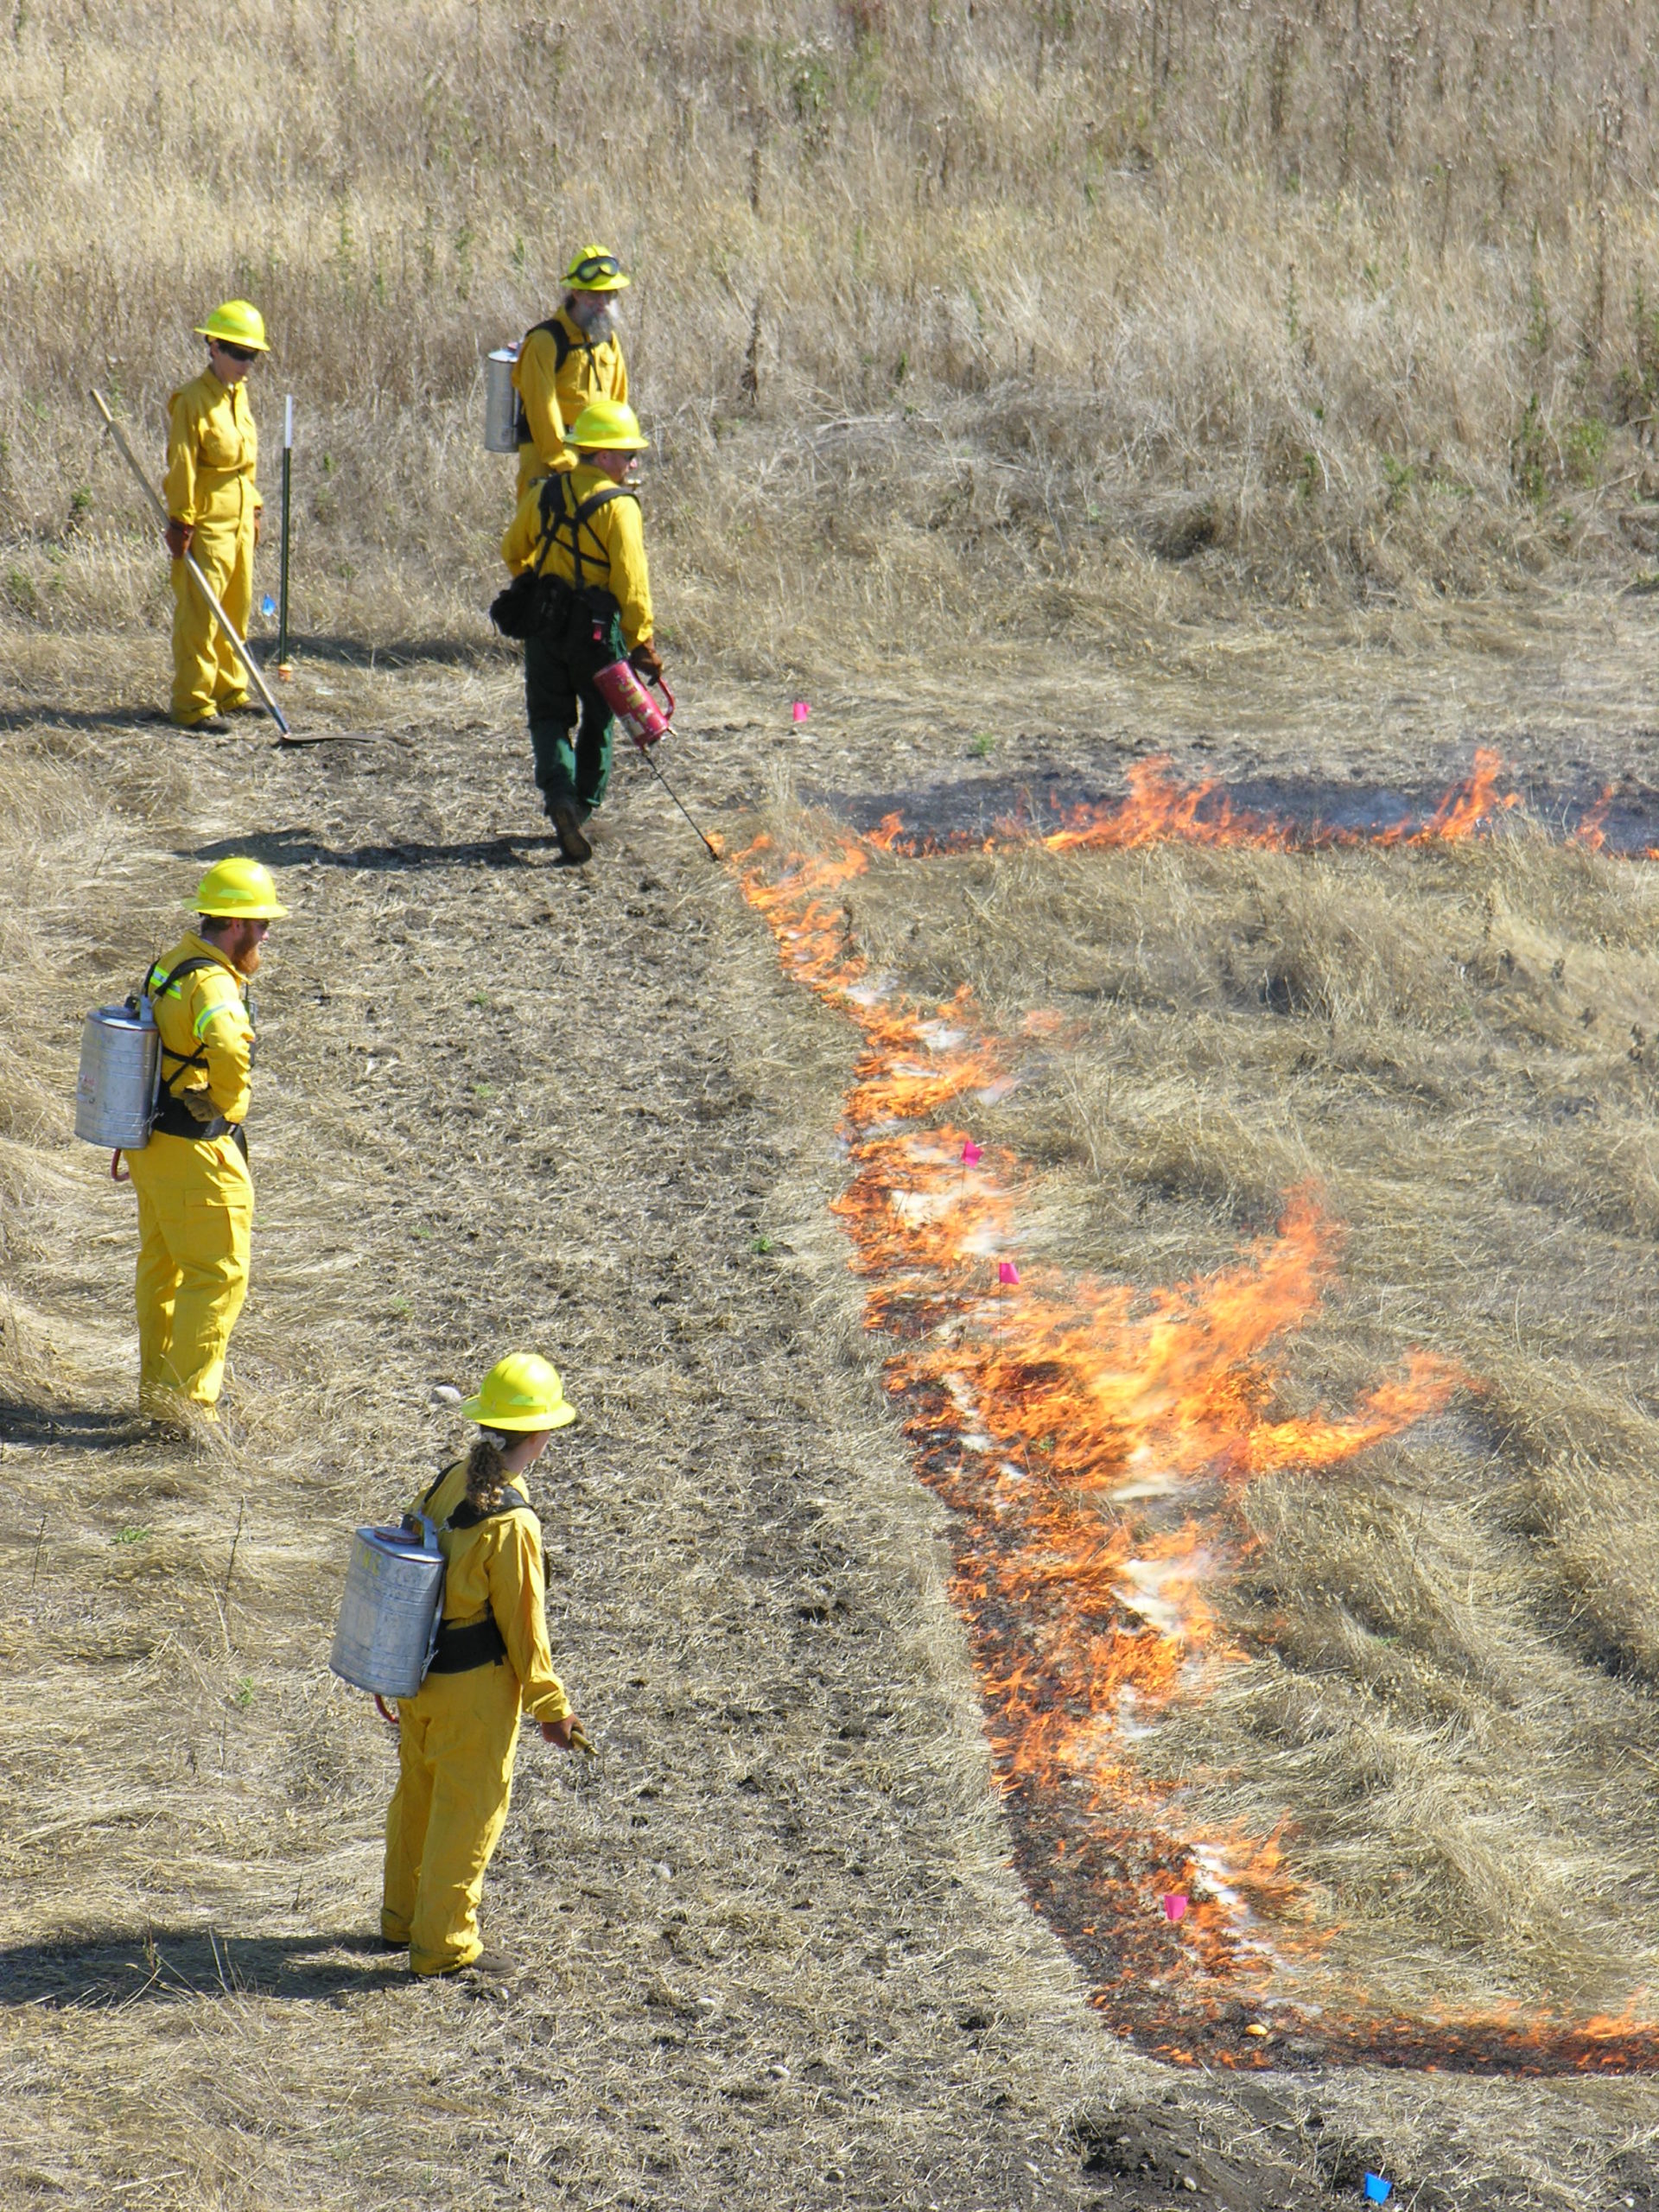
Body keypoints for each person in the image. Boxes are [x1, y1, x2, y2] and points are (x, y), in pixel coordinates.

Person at [381, 1353, 586, 1986]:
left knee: (418, 1797)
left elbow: (403, 1562)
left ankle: (400, 1919)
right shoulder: (514, 1523)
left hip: (419, 1678)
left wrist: (389, 1665)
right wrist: (553, 1710)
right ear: (540, 1437)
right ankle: (442, 1945)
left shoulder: (445, 1482)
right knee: (467, 1812)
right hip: (472, 1695)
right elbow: (526, 1631)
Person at [123, 856, 287, 1427]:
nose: (266, 933)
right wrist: (228, 1102)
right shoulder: (215, 980)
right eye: (262, 923)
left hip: (154, 1144)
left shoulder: (171, 964)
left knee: (162, 1266)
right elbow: (230, 1043)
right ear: (236, 924)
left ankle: (156, 1395)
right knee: (218, 1274)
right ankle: (187, 1408)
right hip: (198, 1150)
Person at [499, 397, 663, 864]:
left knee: (548, 716)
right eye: (627, 454)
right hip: (595, 635)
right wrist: (642, 642)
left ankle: (559, 798)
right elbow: (632, 586)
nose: (632, 462)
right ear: (604, 456)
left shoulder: (546, 492)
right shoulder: (621, 507)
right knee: (599, 719)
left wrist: (534, 583)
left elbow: (514, 549)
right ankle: (584, 806)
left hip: (545, 628)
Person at [162, 301, 268, 733]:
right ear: (213, 346)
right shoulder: (192, 400)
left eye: (252, 356)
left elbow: (246, 461)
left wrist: (256, 509)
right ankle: (192, 703)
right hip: (205, 523)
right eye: (238, 354)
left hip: (240, 520)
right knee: (201, 616)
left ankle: (229, 691)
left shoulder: (238, 396)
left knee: (236, 609)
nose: (246, 364)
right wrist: (180, 522)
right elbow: (183, 464)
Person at [511, 245, 631, 504]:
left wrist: (620, 454)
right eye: (593, 295)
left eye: (609, 295)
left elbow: (618, 402)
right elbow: (543, 413)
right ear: (575, 292)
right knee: (541, 537)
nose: (603, 304)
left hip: (596, 459)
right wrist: (568, 465)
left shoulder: (608, 339)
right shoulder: (544, 341)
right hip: (547, 460)